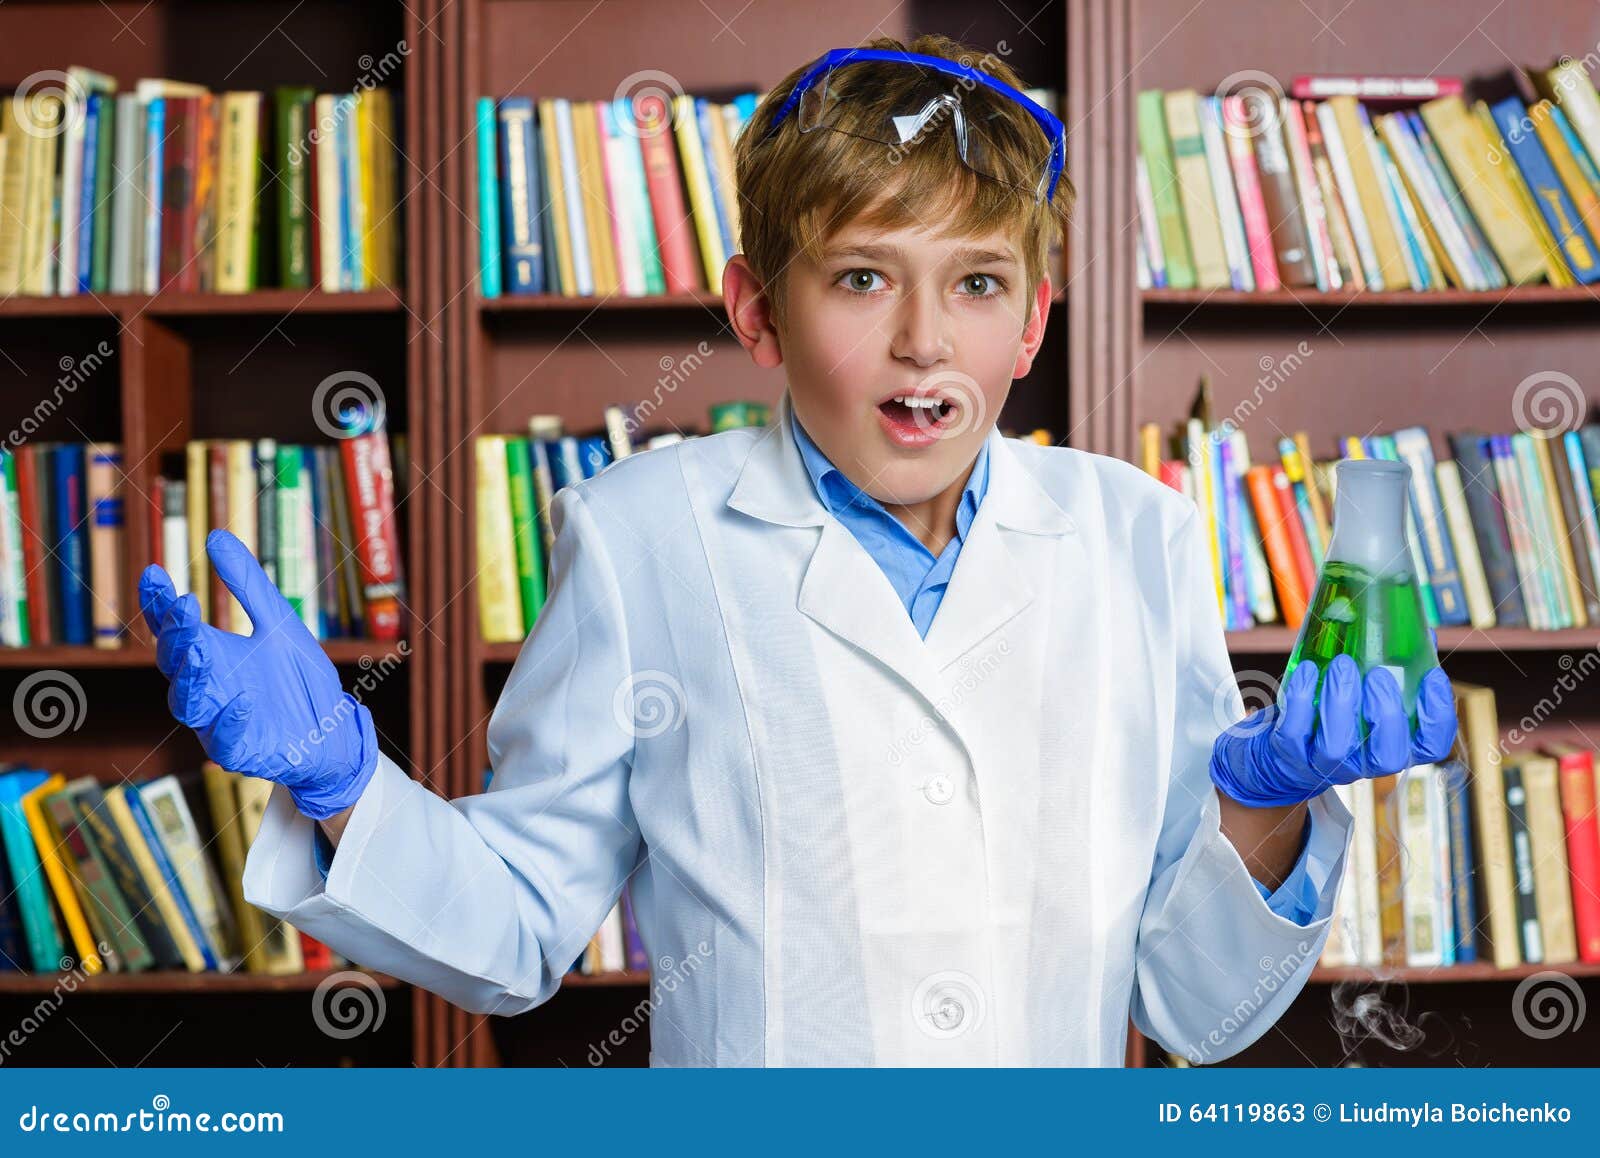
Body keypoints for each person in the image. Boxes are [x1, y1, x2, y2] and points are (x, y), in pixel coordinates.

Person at [139, 34, 1457, 1066]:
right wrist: (346, 790)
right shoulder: (644, 533)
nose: (926, 341)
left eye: (979, 283)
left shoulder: (1138, 535)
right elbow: (523, 922)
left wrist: (1268, 800)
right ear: (757, 311)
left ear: (1036, 319)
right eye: (865, 278)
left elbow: (1194, 1001)